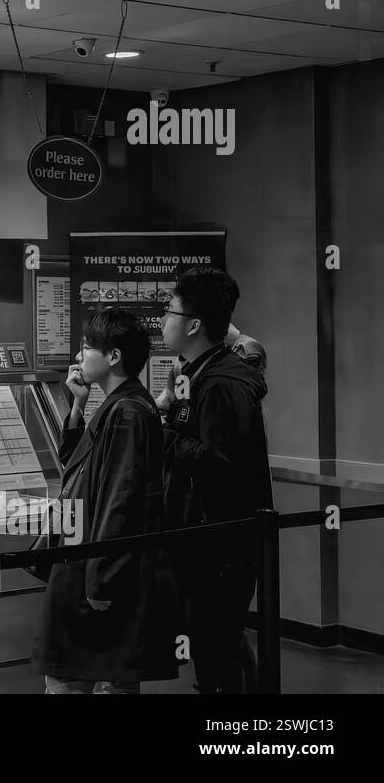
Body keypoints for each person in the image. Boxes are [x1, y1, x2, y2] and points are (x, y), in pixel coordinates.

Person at [32, 309, 178, 694]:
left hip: (95, 573)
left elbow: (120, 499)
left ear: (113, 356)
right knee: (97, 679)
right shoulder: (120, 404)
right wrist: (79, 404)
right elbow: (79, 463)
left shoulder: (127, 411)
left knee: (69, 680)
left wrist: (101, 582)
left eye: (86, 347)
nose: (79, 357)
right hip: (95, 567)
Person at [158, 267, 272, 694]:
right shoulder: (196, 372)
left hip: (220, 549)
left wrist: (163, 435)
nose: (162, 320)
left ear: (193, 324)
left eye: (169, 310)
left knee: (216, 657)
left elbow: (218, 462)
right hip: (203, 543)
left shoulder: (222, 383)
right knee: (218, 649)